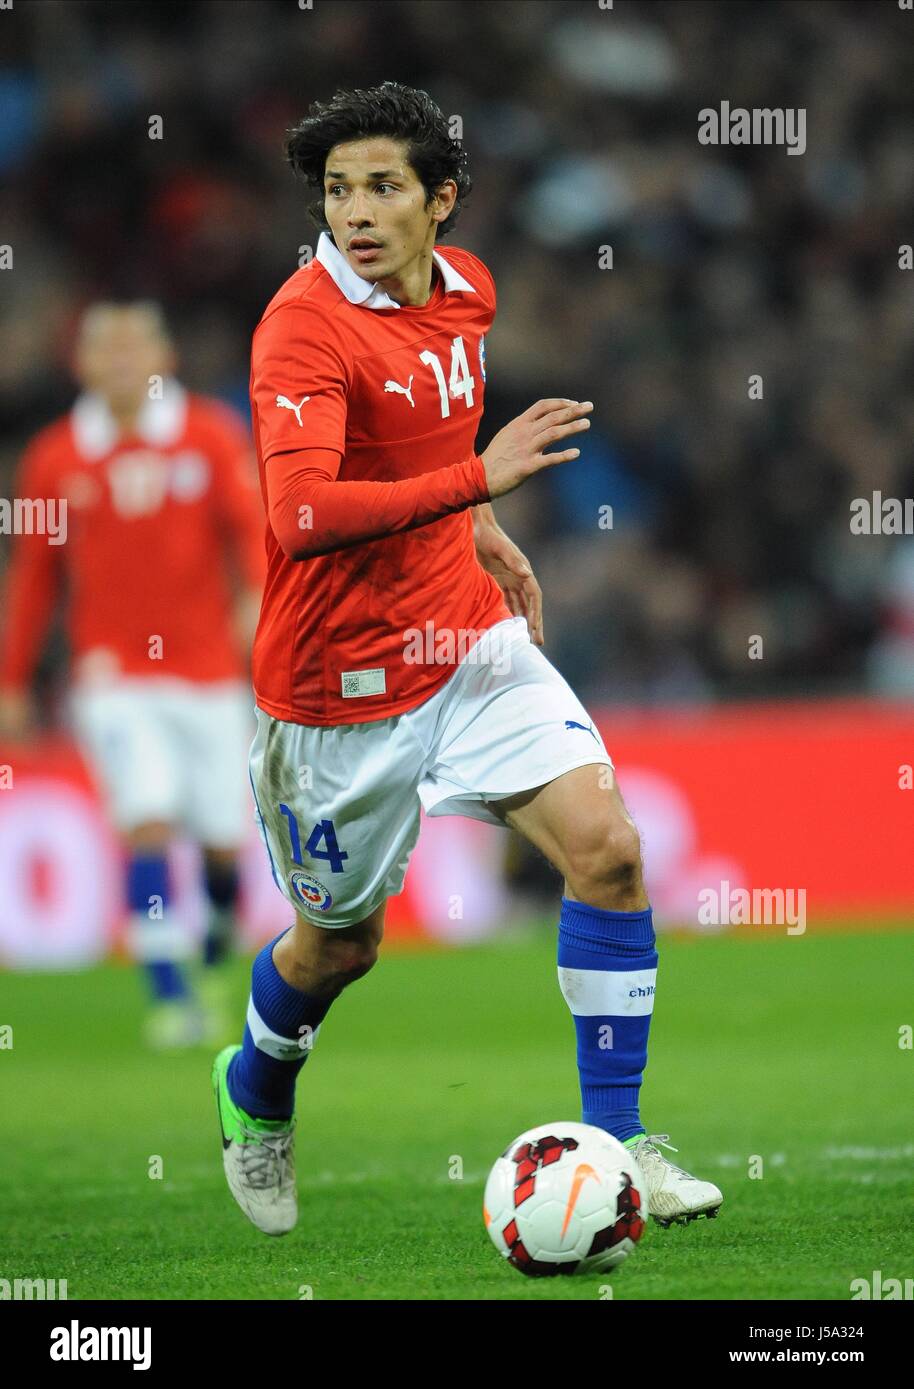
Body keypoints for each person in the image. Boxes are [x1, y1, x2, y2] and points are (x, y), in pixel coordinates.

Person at [211, 82, 722, 1235]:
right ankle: (254, 1089)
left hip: (467, 645)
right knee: (338, 948)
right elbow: (298, 515)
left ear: (439, 201)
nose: (354, 210)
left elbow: (428, 444)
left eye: (382, 186)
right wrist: (476, 484)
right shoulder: (300, 328)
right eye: (337, 189)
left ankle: (623, 1146)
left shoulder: (468, 291)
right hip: (336, 690)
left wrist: (482, 533)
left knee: (609, 852)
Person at [0, 302, 264, 1047]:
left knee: (219, 840)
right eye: (104, 351)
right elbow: (32, 580)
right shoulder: (54, 456)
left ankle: (212, 952)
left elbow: (251, 536)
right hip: (112, 674)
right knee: (146, 818)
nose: (119, 363)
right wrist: (13, 678)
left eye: (132, 348)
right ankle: (171, 993)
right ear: (81, 365)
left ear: (162, 358)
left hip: (209, 671)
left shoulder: (211, 435)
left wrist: (257, 606)